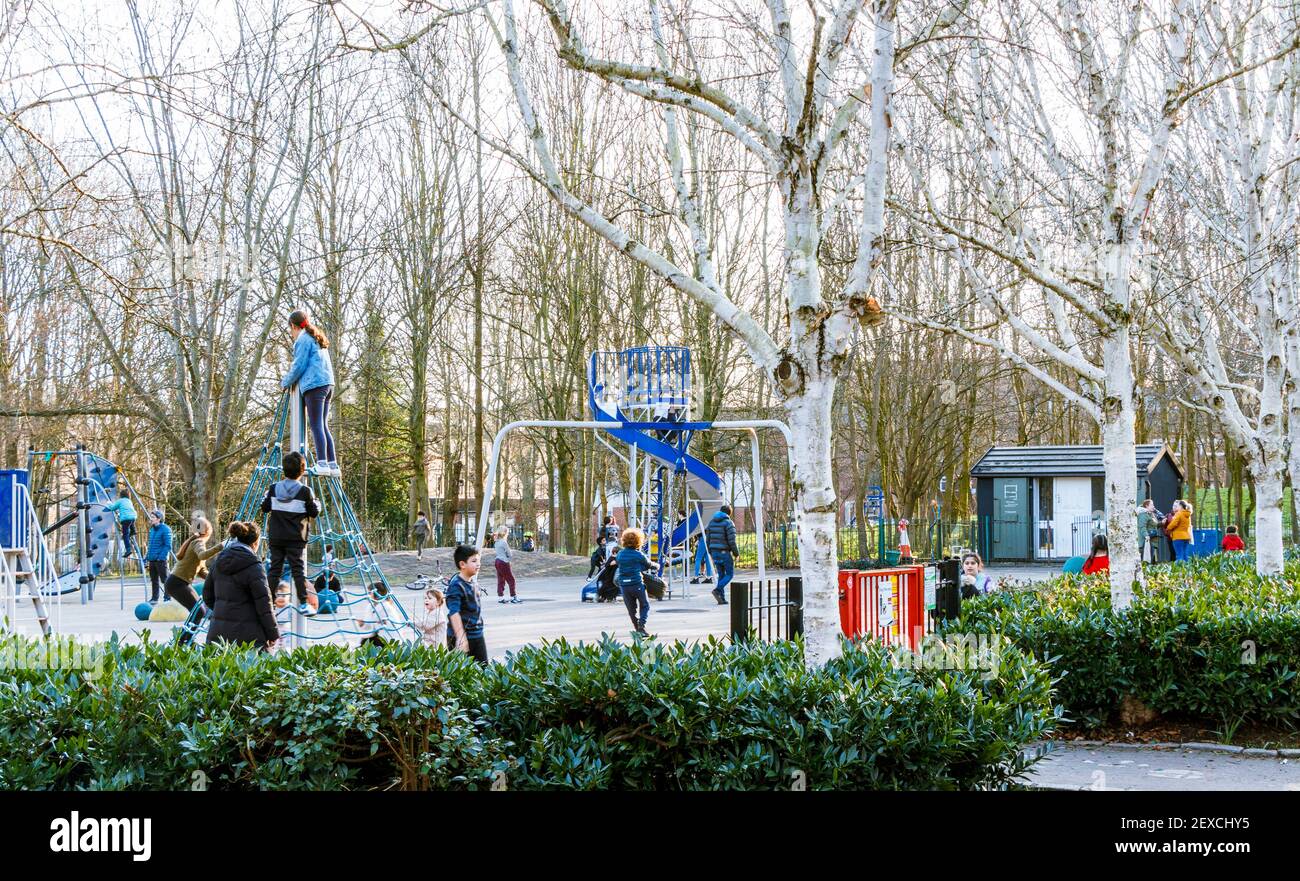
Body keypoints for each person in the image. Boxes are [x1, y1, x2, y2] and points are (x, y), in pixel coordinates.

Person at [202, 521, 280, 651]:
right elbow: (264, 604)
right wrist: (273, 634)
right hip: (249, 636)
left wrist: (223, 610)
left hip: (219, 633)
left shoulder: (218, 562)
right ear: (255, 543)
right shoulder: (254, 566)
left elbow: (207, 595)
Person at [261, 451, 320, 616]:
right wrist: (318, 505)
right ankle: (303, 603)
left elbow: (265, 507)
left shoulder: (274, 488)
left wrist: (266, 498)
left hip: (277, 536)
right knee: (297, 570)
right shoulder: (305, 492)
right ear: (302, 470)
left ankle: (269, 603)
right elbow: (313, 512)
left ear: (283, 470)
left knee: (274, 570)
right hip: (295, 537)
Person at [281, 307, 338, 477]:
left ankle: (322, 463)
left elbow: (299, 365)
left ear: (293, 325)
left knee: (316, 424)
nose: (291, 333)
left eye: (290, 329)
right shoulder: (315, 337)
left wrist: (285, 382)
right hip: (327, 385)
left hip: (314, 386)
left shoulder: (303, 340)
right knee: (323, 424)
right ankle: (332, 464)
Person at [167, 515, 223, 644]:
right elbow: (203, 555)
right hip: (177, 583)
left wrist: (216, 578)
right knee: (199, 611)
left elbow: (201, 571)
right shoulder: (198, 542)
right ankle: (184, 641)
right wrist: (221, 546)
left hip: (177, 582)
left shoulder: (194, 541)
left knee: (198, 610)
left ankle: (185, 640)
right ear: (208, 531)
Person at [445, 543, 488, 666]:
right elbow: (454, 613)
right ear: (462, 564)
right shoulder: (456, 586)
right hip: (461, 637)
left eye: (478, 560)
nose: (478, 564)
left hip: (477, 635)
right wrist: (461, 638)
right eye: (474, 561)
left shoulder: (473, 583)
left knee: (483, 671)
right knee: (463, 676)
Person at [616, 528, 652, 637]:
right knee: (645, 605)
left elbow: (620, 564)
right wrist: (657, 565)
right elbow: (648, 564)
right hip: (636, 583)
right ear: (638, 541)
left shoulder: (620, 554)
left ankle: (637, 628)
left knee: (631, 609)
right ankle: (641, 626)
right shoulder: (638, 554)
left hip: (624, 585)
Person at [705, 504, 740, 606]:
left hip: (714, 552)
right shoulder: (728, 523)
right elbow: (732, 541)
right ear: (729, 513)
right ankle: (717, 590)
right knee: (729, 574)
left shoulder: (711, 523)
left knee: (721, 575)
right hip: (724, 552)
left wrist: (710, 552)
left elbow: (708, 540)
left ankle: (722, 599)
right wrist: (736, 553)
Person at [144, 509, 172, 605]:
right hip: (152, 560)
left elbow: (168, 545)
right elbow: (151, 545)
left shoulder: (166, 529)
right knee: (154, 580)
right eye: (151, 517)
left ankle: (167, 598)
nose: (151, 519)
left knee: (165, 580)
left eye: (153, 517)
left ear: (159, 519)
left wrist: (161, 557)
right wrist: (147, 557)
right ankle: (154, 598)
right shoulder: (152, 530)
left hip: (160, 560)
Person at [103, 488, 139, 560]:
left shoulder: (120, 501)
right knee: (131, 522)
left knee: (125, 535)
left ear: (121, 495)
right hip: (133, 516)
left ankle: (128, 550)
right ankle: (133, 530)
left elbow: (113, 508)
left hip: (125, 519)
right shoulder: (129, 501)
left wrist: (109, 503)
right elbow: (125, 509)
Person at [493, 528, 520, 604]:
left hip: (497, 561)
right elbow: (509, 553)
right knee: (511, 580)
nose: (508, 534)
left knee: (500, 580)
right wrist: (508, 560)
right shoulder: (504, 542)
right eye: (507, 533)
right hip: (503, 562)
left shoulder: (496, 542)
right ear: (505, 533)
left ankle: (500, 597)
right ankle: (513, 597)